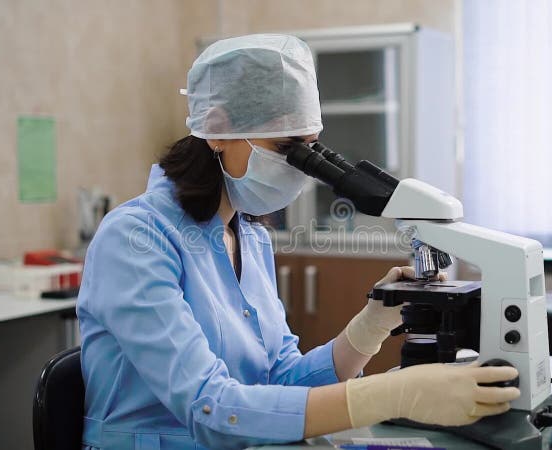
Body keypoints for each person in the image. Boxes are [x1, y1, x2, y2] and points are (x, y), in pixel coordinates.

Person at [76, 33, 520, 450]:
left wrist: (370, 326)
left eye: (309, 148)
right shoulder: (135, 239)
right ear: (217, 130)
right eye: (286, 147)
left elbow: (282, 380)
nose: (299, 168)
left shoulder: (250, 237)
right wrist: (391, 394)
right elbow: (210, 408)